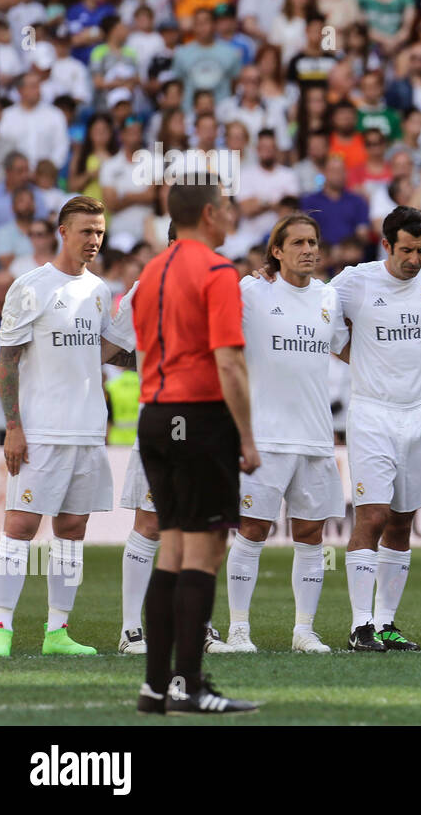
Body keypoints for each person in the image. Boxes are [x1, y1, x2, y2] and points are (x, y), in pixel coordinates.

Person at [0, 196, 134, 660]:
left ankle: (57, 632)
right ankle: (1, 632)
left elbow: (99, 352)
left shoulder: (100, 290)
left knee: (71, 530)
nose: (94, 240)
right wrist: (14, 426)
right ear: (63, 232)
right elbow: (8, 359)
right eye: (86, 231)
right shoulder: (30, 287)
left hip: (88, 432)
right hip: (41, 430)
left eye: (101, 232)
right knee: (21, 527)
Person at [130, 180, 260, 715]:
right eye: (227, 207)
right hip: (198, 416)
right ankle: (190, 686)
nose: (232, 214)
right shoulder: (216, 271)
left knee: (174, 550)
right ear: (209, 214)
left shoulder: (152, 271)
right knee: (204, 552)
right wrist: (247, 437)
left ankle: (155, 687)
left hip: (154, 416)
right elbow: (228, 362)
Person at [328, 206, 421, 652]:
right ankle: (359, 624)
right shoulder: (357, 281)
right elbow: (315, 311)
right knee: (372, 515)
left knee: (403, 521)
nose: (414, 259)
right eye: (406, 250)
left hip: (419, 415)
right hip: (371, 414)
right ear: (386, 245)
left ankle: (386, 623)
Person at [216, 215, 348, 654]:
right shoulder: (251, 291)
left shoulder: (329, 297)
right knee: (252, 530)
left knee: (312, 535)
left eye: (314, 242)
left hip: (314, 436)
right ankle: (238, 629)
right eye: (299, 243)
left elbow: (346, 347)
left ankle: (304, 631)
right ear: (276, 251)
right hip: (265, 437)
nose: (309, 249)